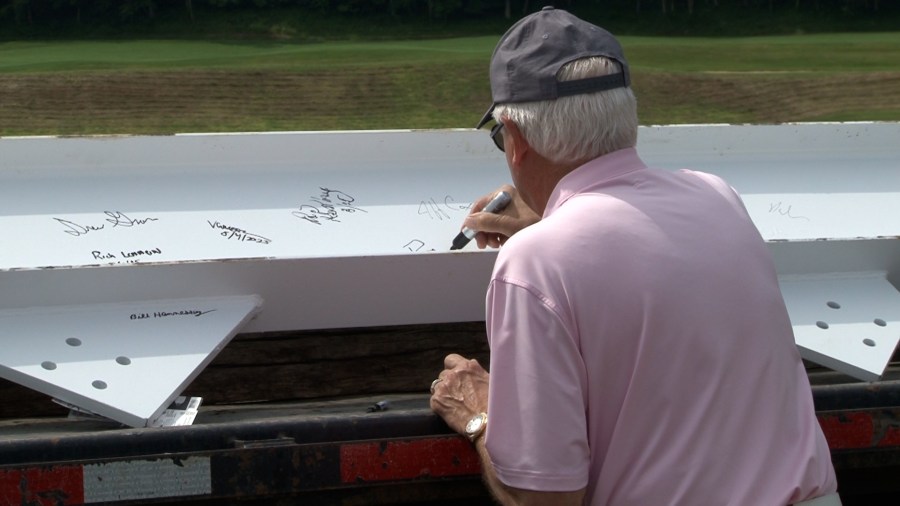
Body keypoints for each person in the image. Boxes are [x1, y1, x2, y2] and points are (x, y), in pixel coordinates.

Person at [429, 6, 839, 506]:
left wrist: (479, 415)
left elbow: (543, 499)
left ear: (514, 141)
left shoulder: (534, 263)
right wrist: (551, 225)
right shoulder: (718, 197)